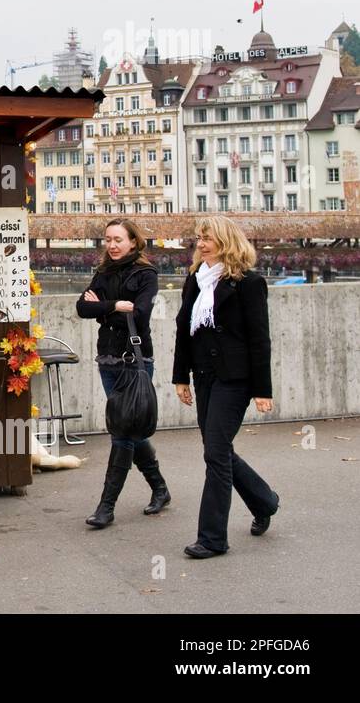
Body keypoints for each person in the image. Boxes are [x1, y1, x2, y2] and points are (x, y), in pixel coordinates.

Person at [172, 215, 279, 559]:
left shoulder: (248, 283)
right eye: (199, 238)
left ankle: (212, 538)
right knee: (219, 450)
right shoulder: (195, 280)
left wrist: (263, 390)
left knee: (215, 452)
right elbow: (183, 331)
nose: (201, 244)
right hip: (205, 378)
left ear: (227, 242)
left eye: (208, 238)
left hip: (235, 380)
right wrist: (180, 376)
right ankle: (264, 500)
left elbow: (259, 340)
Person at [75, 218, 168, 528]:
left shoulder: (146, 274)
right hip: (108, 359)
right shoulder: (103, 272)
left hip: (135, 359)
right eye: (108, 240)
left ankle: (106, 506)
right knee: (130, 427)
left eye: (118, 239)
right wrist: (117, 305)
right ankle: (160, 489)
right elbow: (82, 308)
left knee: (122, 431)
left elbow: (141, 314)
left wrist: (103, 306)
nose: (112, 245)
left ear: (133, 242)